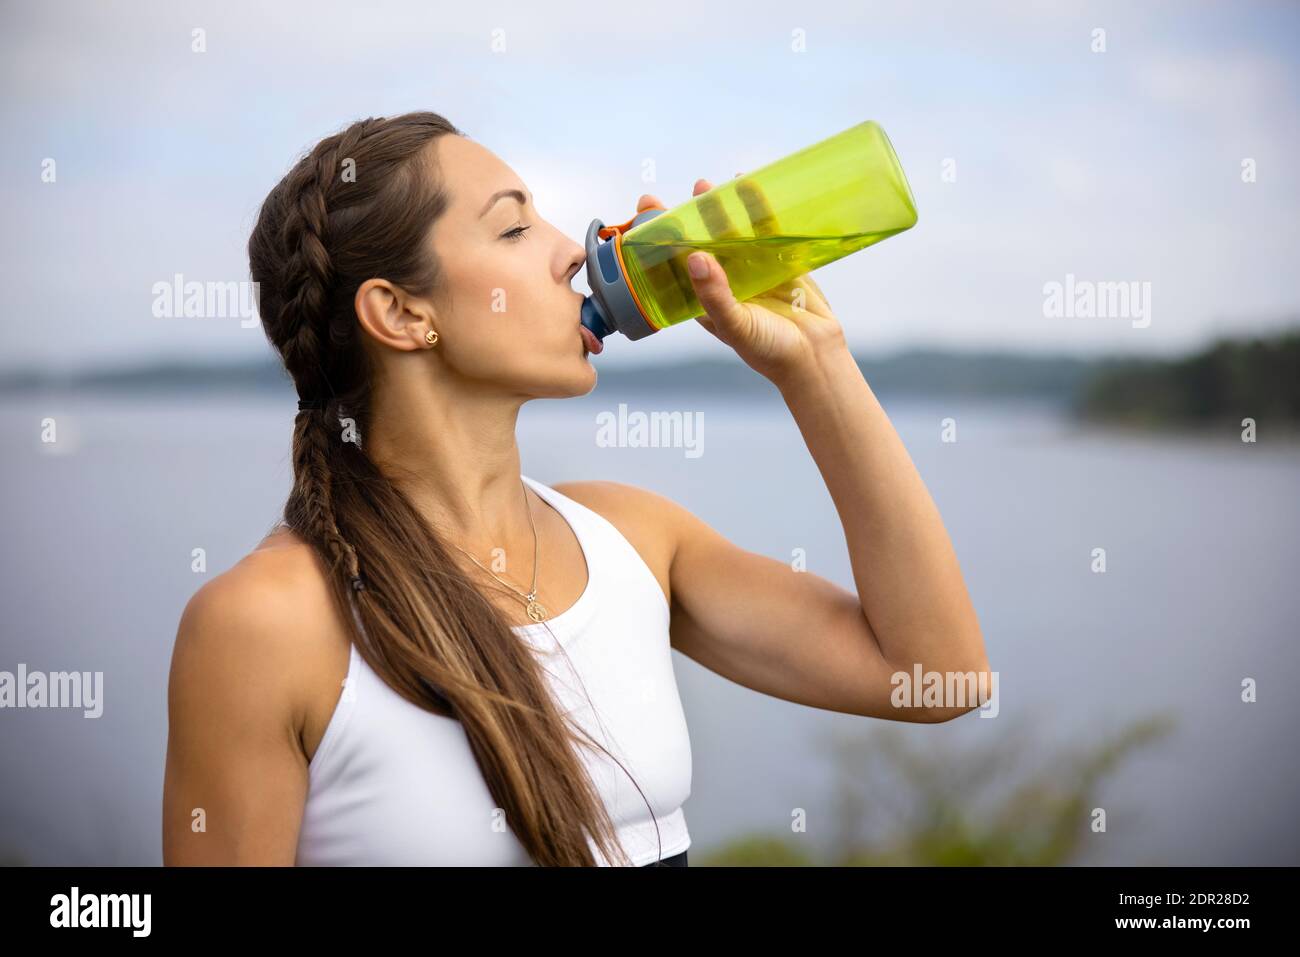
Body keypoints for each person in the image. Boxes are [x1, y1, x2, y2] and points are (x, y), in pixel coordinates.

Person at [161, 111, 990, 867]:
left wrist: (817, 365)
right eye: (515, 226)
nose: (570, 248)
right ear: (404, 313)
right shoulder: (264, 625)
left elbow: (938, 674)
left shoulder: (629, 536)